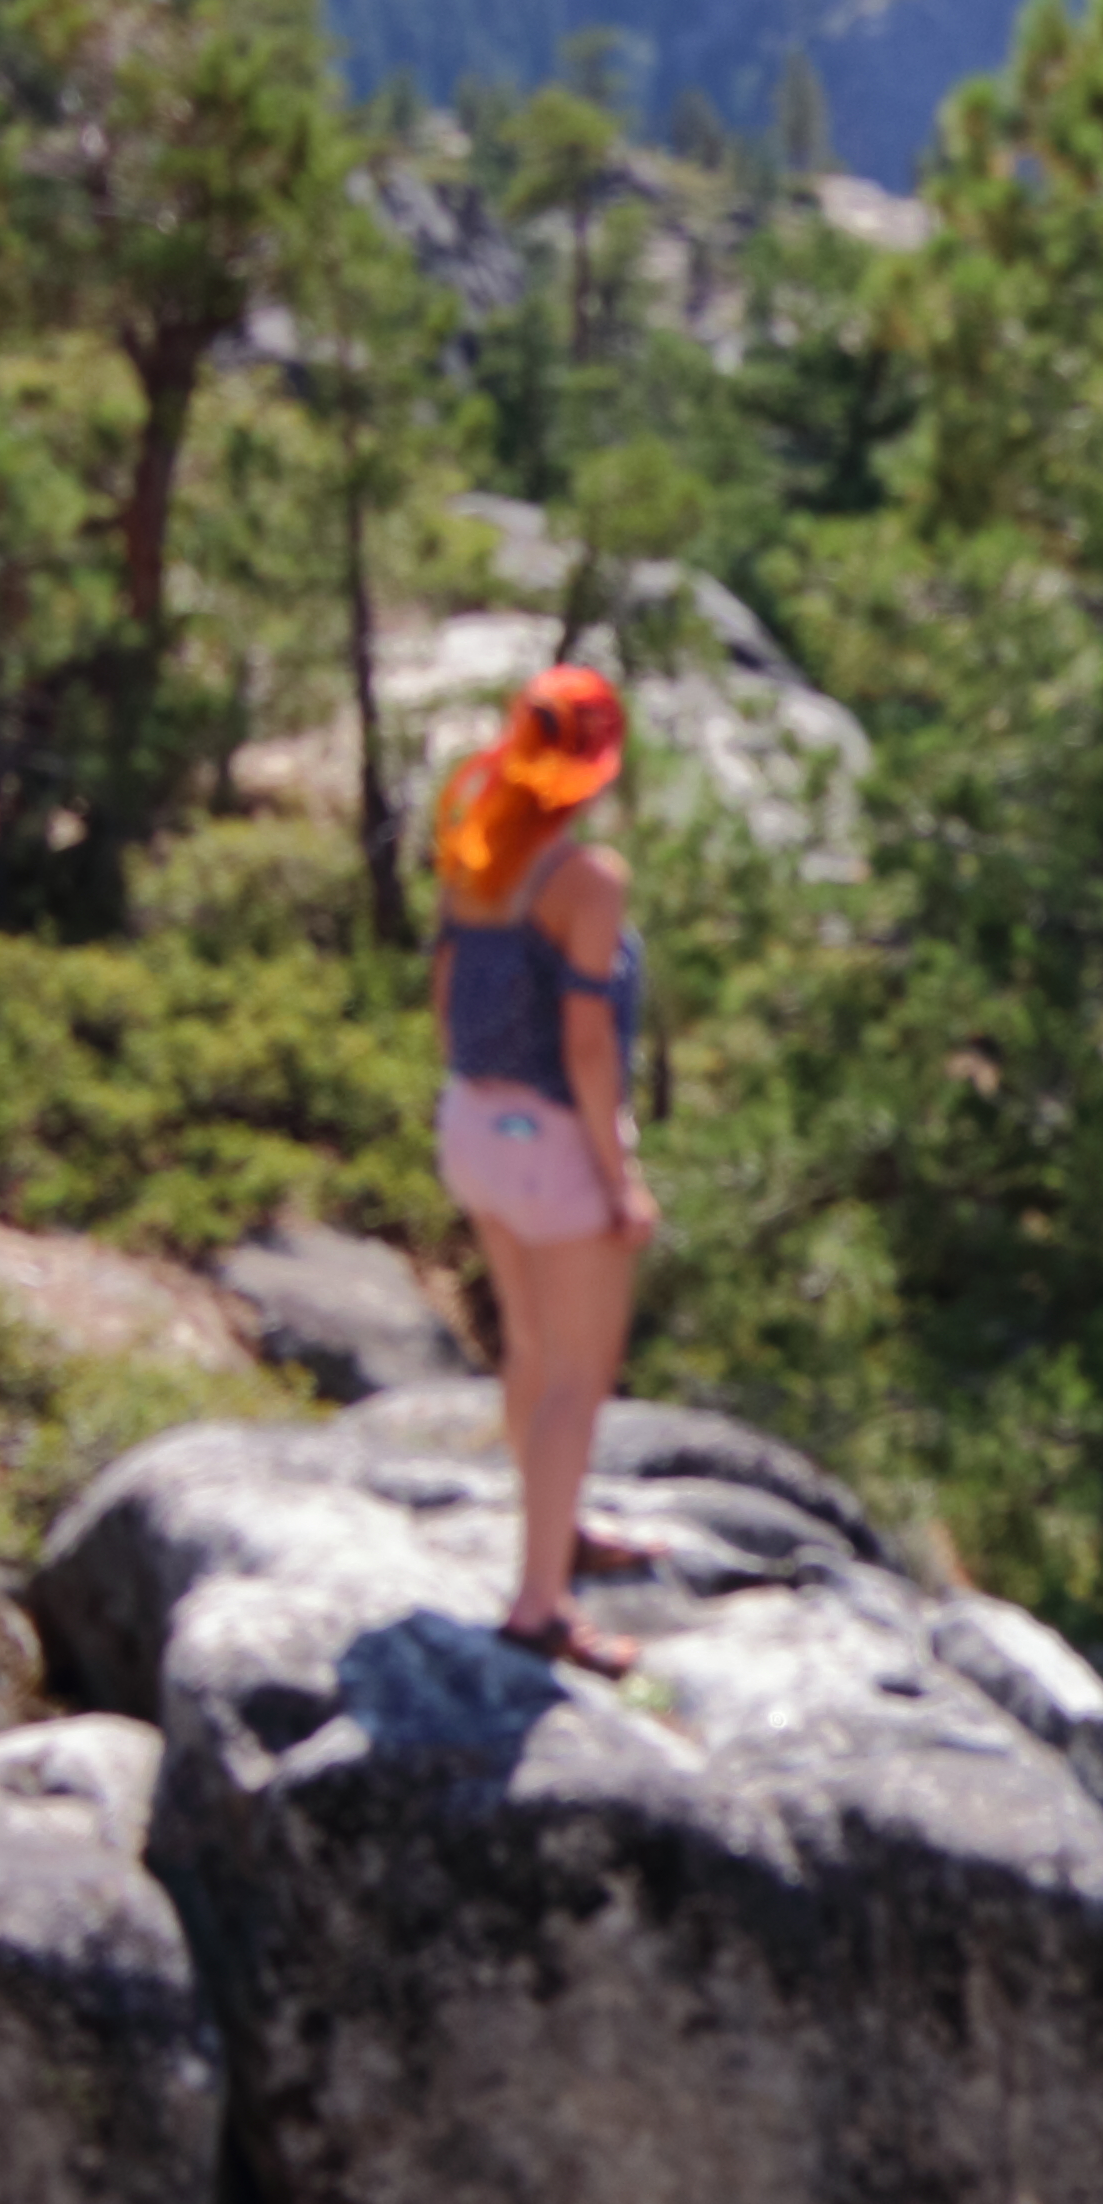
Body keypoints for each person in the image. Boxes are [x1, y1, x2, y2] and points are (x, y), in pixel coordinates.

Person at [429, 661, 658, 1668]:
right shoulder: (587, 879)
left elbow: (444, 995)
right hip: (557, 1145)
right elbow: (589, 1045)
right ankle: (539, 1606)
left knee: (528, 1350)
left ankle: (556, 1530)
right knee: (579, 1375)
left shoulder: (474, 853)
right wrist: (618, 1182)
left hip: (474, 1124)